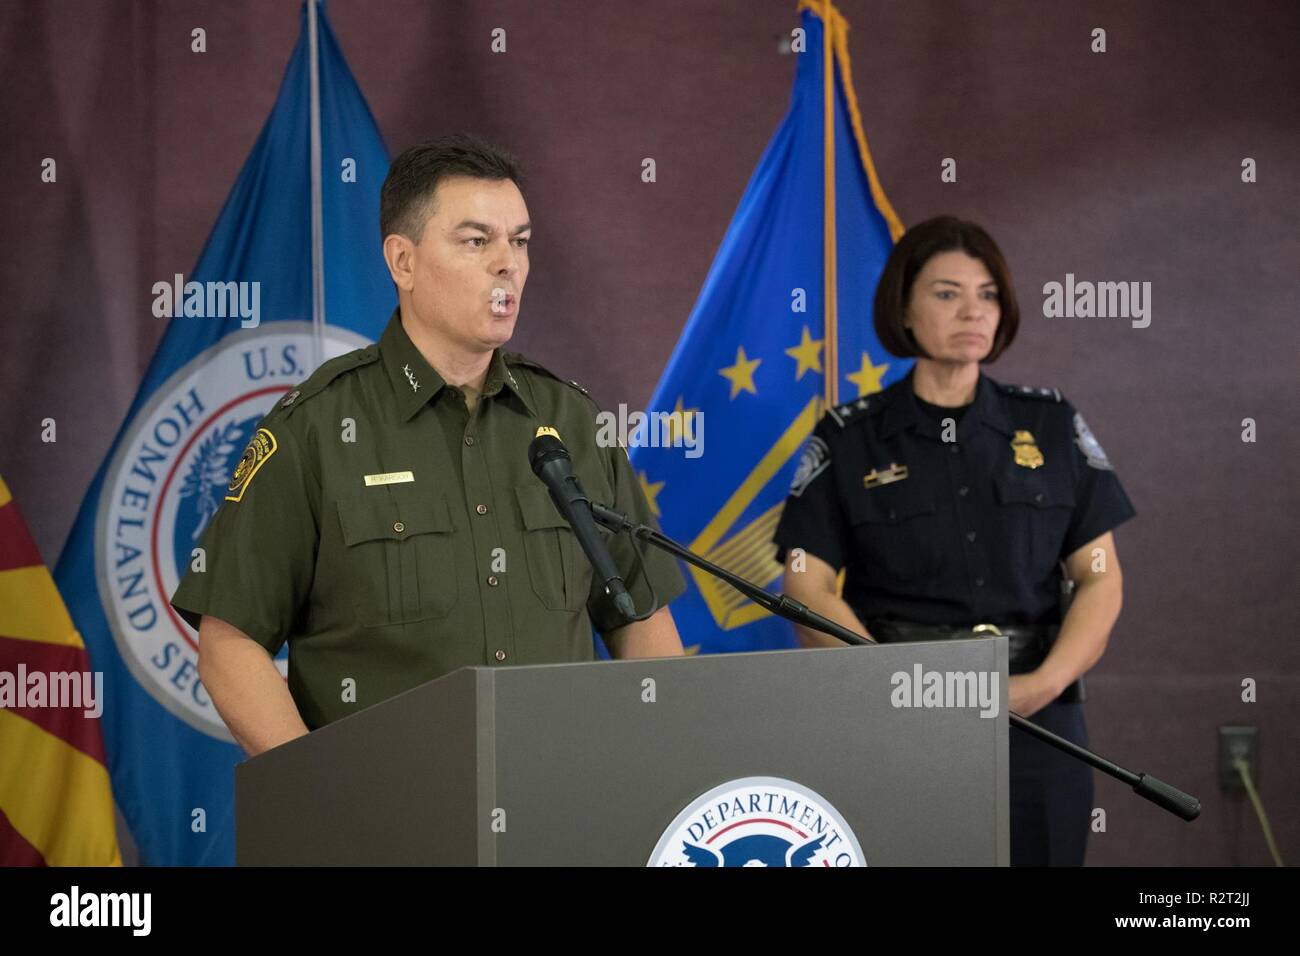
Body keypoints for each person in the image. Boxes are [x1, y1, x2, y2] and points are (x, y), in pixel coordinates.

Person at [172, 134, 686, 756]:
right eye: (477, 241)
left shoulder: (571, 422)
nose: (509, 264)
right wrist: (320, 792)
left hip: (561, 796)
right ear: (403, 262)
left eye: (520, 241)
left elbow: (640, 616)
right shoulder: (317, 427)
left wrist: (658, 763)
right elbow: (229, 646)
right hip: (388, 805)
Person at [773, 215, 1135, 866]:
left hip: (1039, 721)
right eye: (947, 293)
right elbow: (806, 585)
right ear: (903, 310)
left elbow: (1100, 575)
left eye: (988, 294)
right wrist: (890, 683)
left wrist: (1044, 683)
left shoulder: (1051, 425)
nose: (973, 311)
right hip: (898, 718)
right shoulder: (850, 438)